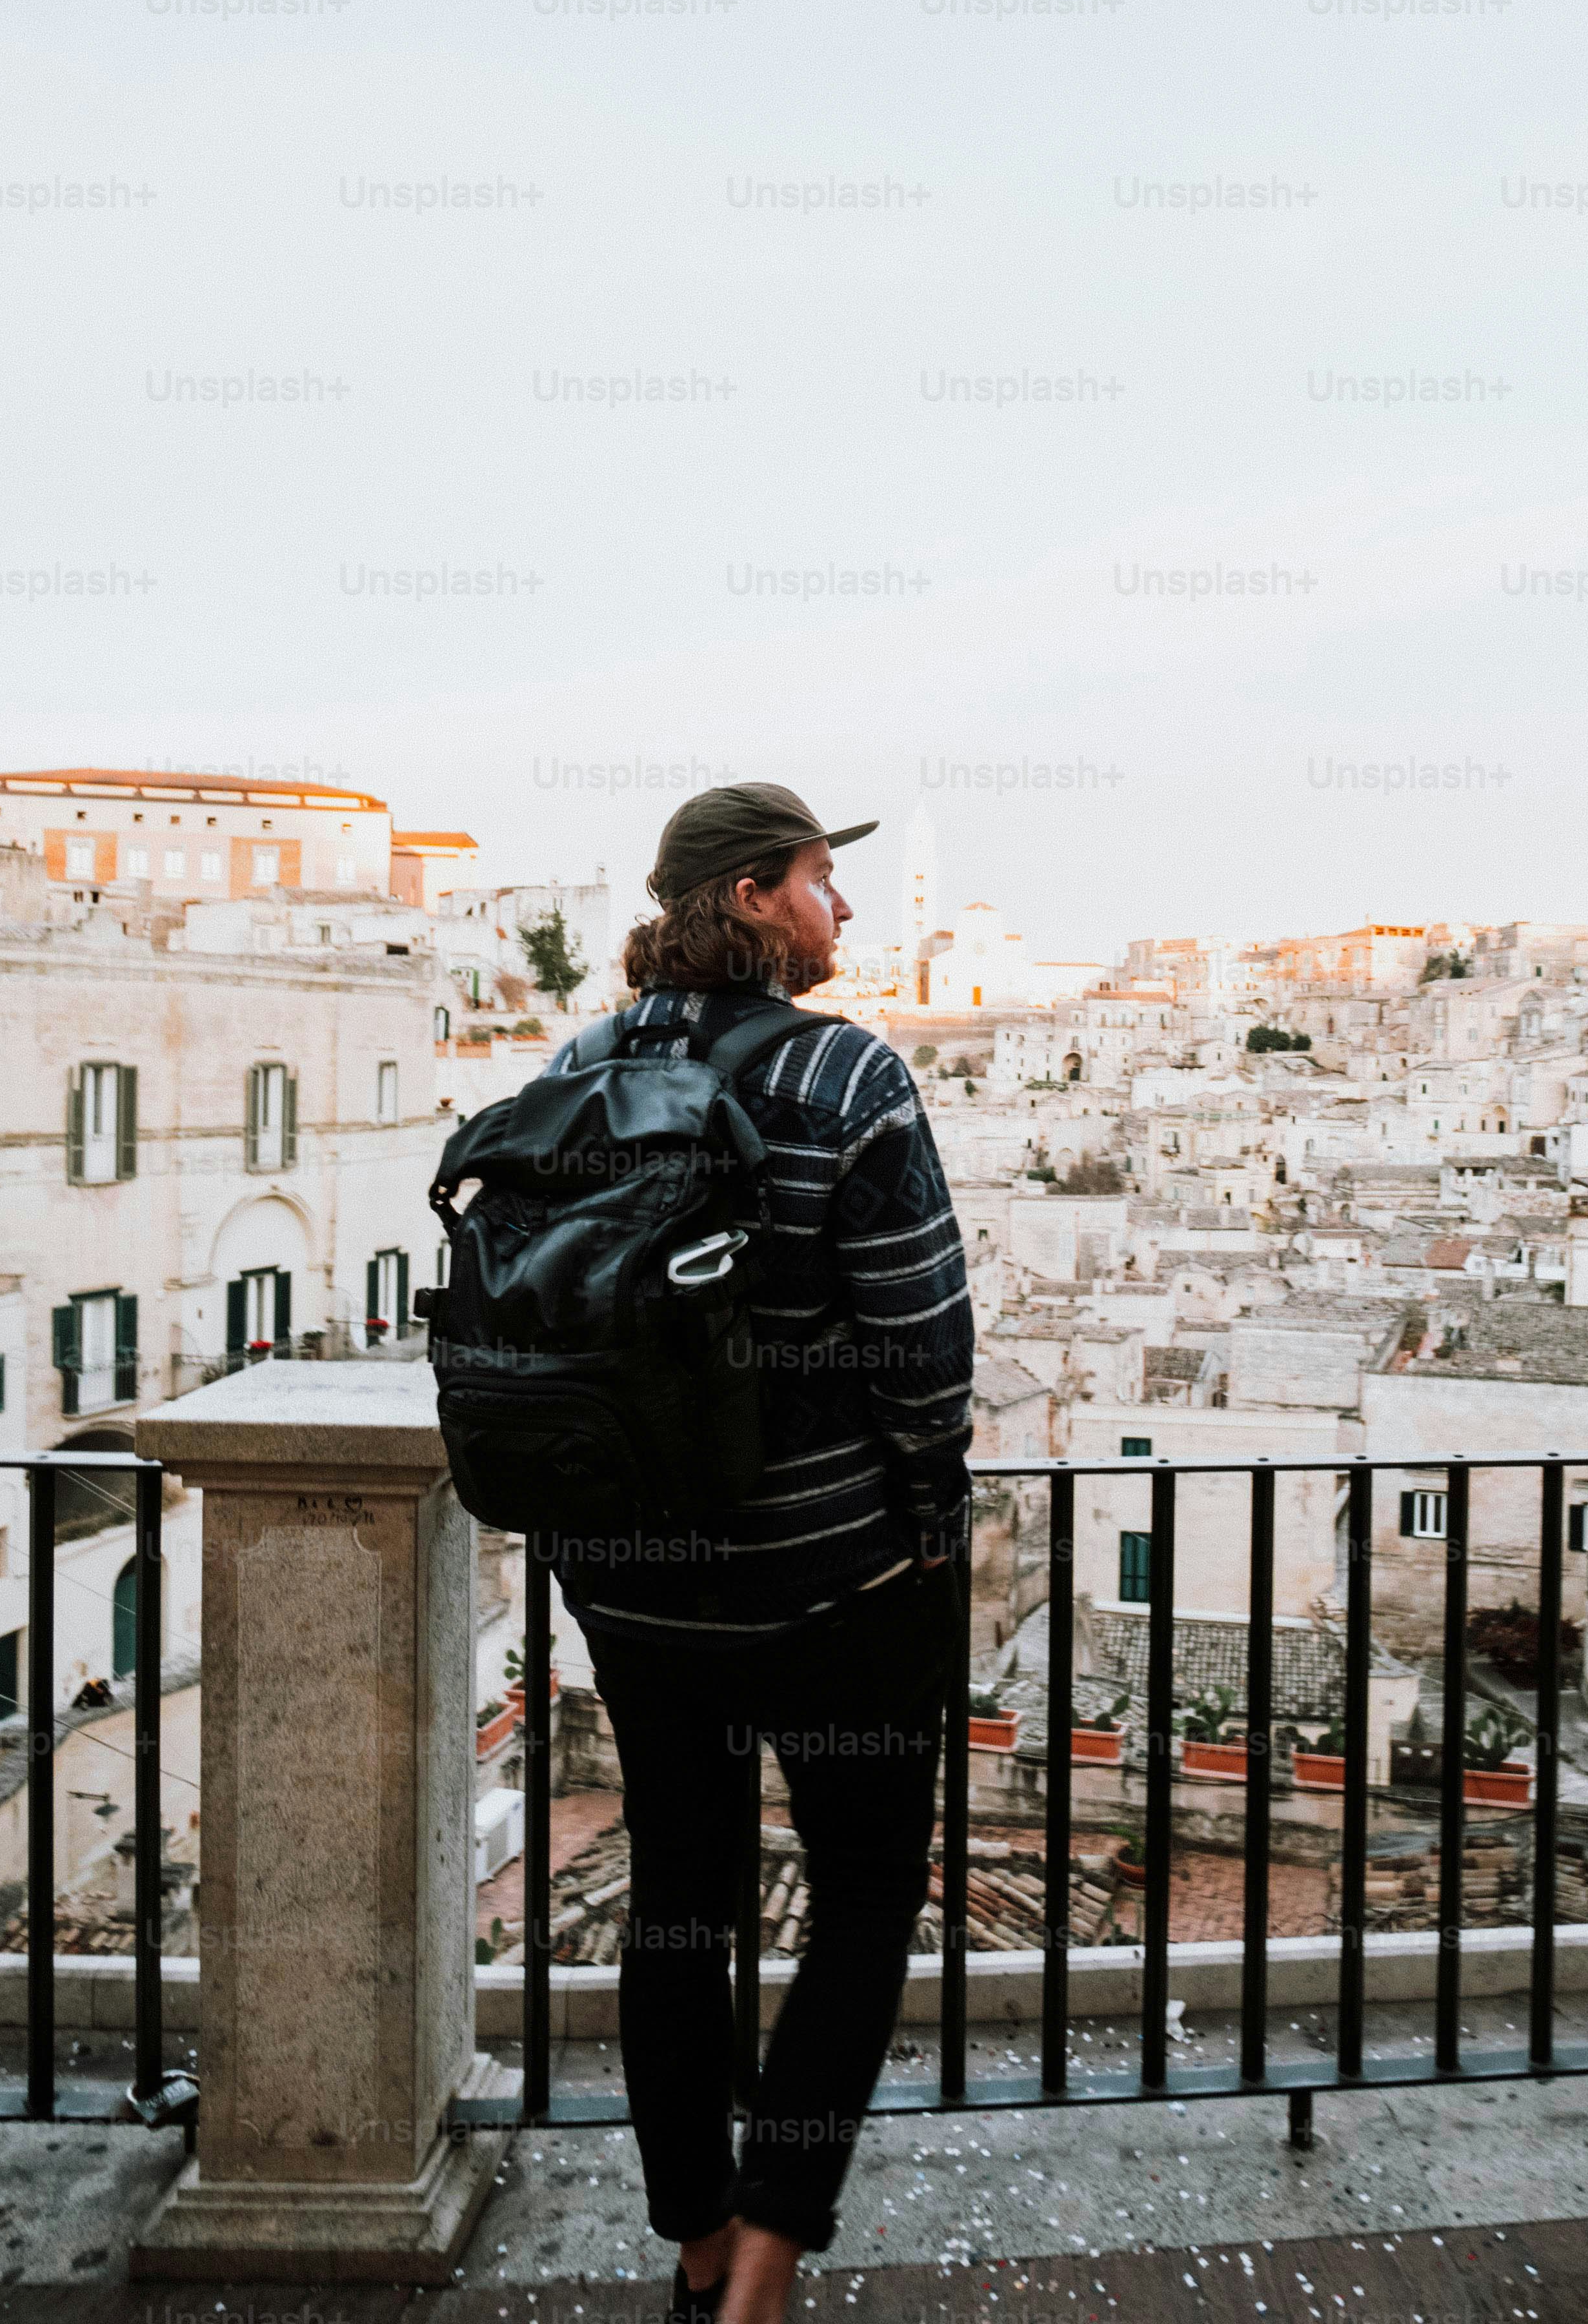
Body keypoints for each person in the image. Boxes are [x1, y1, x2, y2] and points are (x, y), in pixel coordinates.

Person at [539, 783, 973, 2324]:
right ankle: (773, 2249)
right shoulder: (847, 1074)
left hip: (639, 1583)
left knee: (679, 1894)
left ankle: (694, 2236)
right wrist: (931, 1519)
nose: (843, 908)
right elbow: (923, 1346)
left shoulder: (577, 1065)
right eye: (817, 881)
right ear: (753, 898)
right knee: (862, 1891)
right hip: (830, 1581)